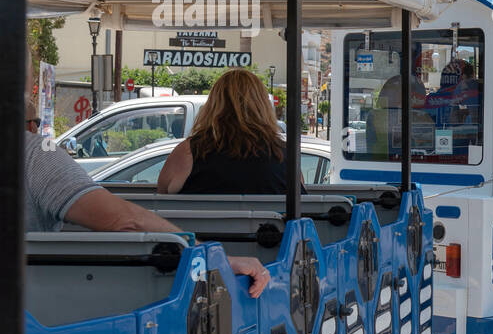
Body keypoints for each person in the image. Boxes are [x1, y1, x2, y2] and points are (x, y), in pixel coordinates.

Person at [21, 66, 268, 296]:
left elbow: (163, 192)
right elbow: (124, 221)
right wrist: (218, 260)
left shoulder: (189, 151)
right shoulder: (35, 152)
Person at [158, 68, 297, 195]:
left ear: (213, 104)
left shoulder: (188, 152)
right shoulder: (285, 155)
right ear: (262, 106)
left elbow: (162, 197)